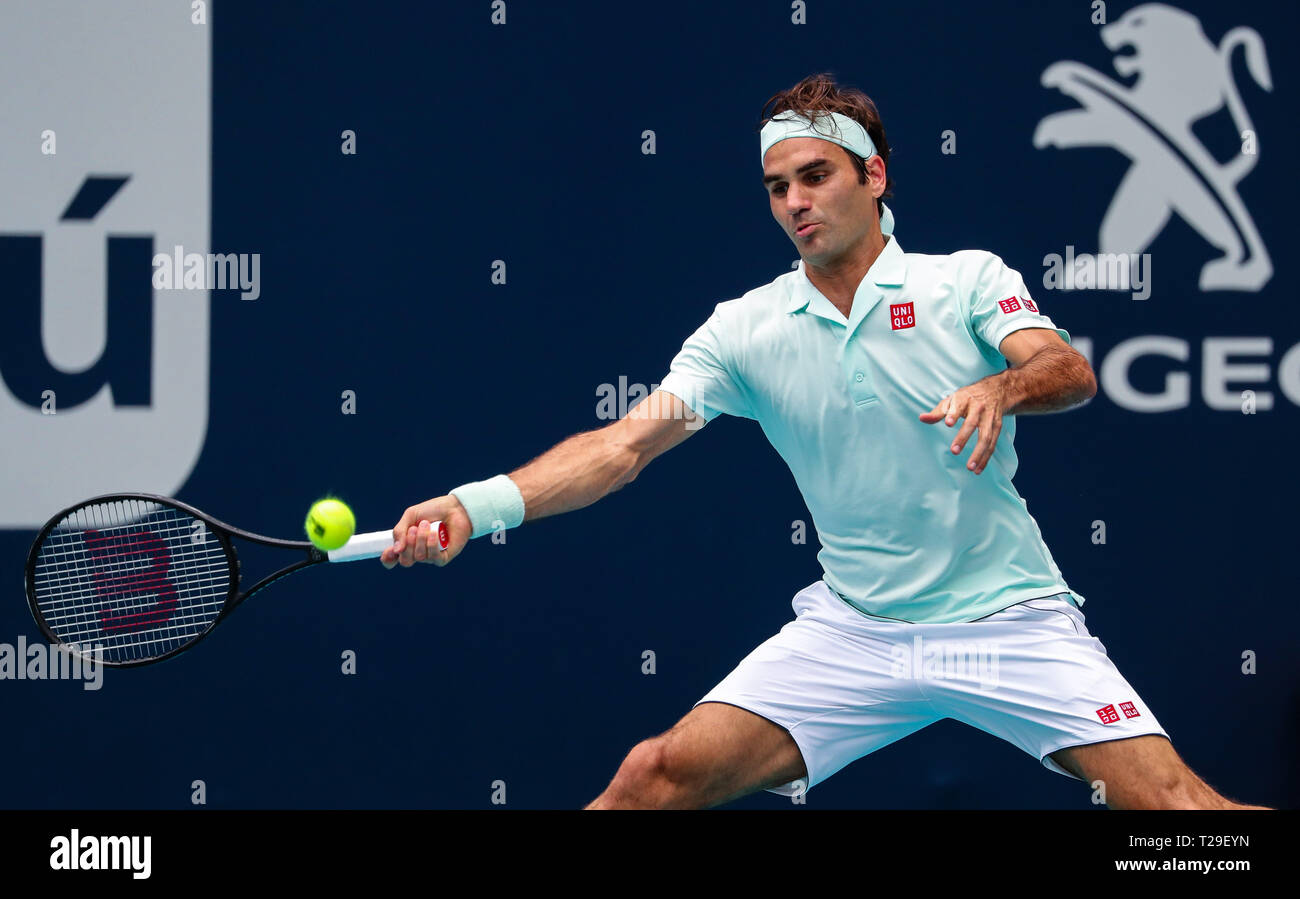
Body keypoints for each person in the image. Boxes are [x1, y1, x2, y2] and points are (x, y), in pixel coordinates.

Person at [381, 73, 1267, 811]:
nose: (796, 202)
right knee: (650, 778)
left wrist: (1001, 385)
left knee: (1182, 818)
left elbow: (1067, 370)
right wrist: (474, 504)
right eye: (777, 187)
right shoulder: (745, 328)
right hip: (857, 632)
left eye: (816, 175)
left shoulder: (965, 281)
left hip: (1007, 619)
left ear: (874, 175)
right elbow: (622, 449)